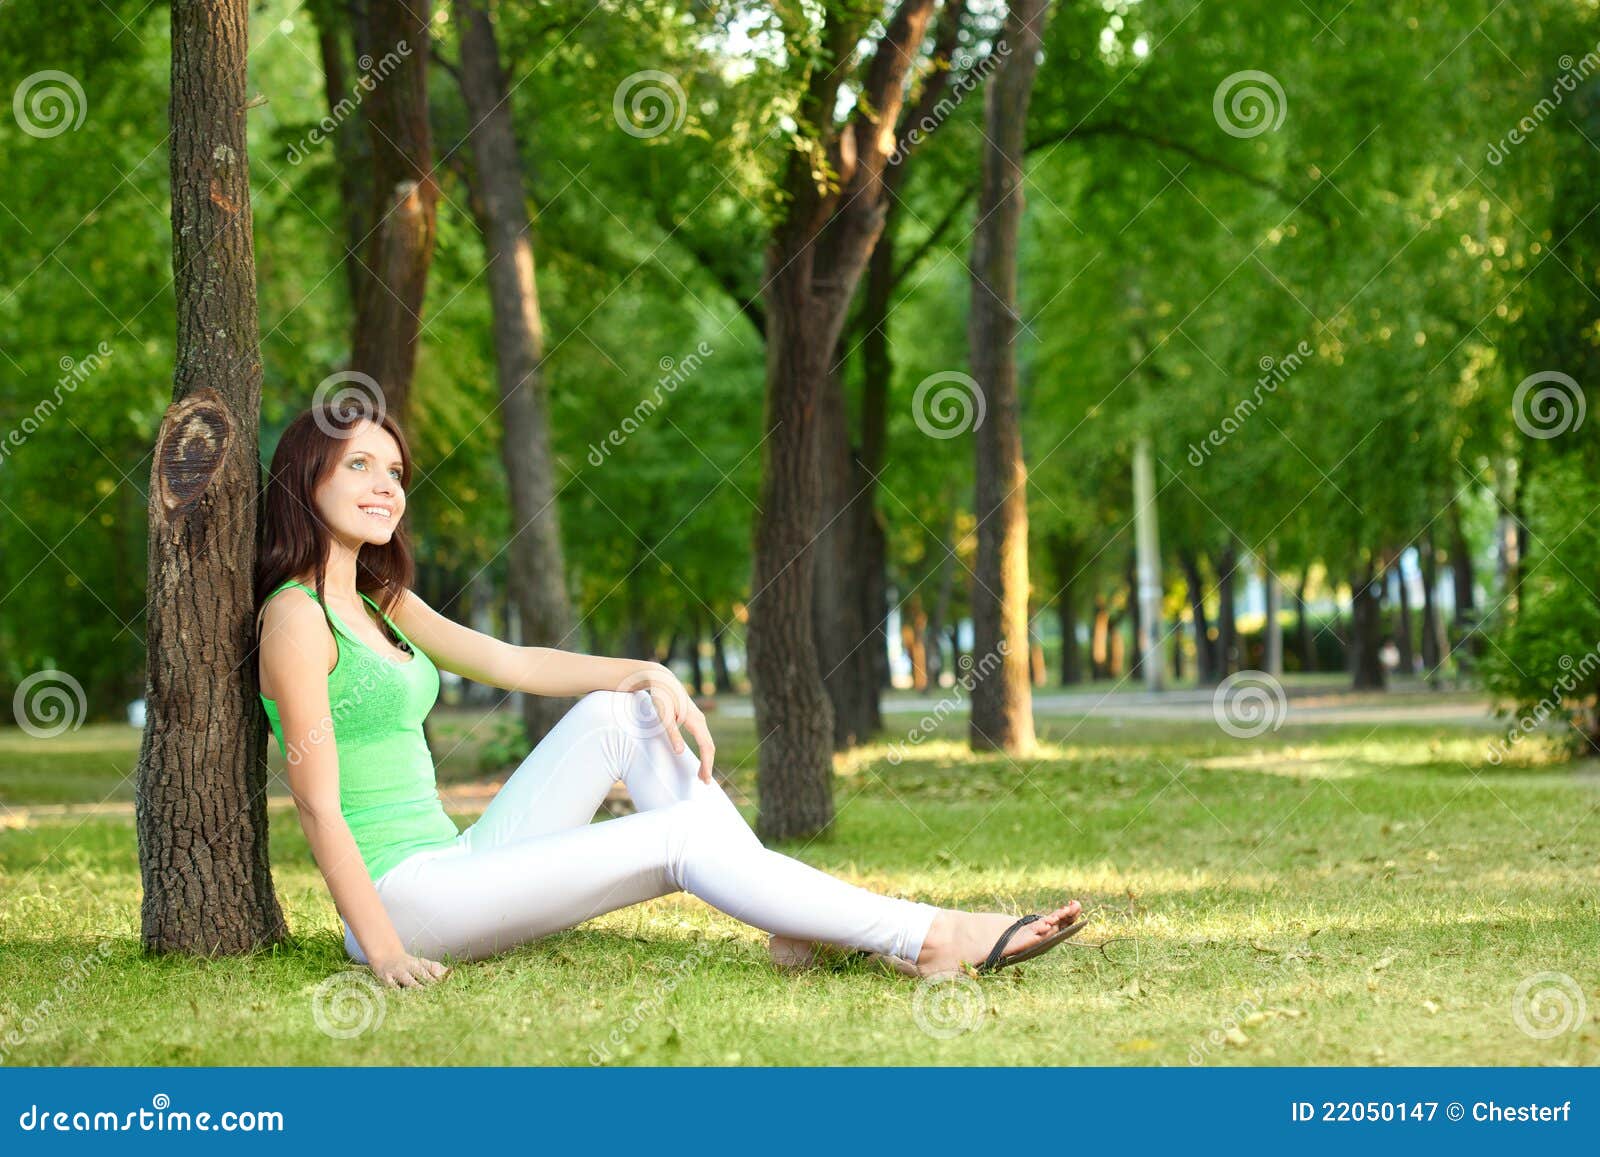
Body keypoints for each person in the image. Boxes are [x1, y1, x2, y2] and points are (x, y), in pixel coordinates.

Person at [254, 401, 1086, 989]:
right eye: (358, 464)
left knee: (624, 712)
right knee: (680, 835)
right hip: (407, 899)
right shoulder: (295, 620)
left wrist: (641, 672)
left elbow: (512, 661)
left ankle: (804, 921)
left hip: (461, 861)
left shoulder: (379, 599)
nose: (384, 485)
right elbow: (320, 808)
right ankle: (928, 934)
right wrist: (385, 948)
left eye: (394, 470)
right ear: (306, 477)